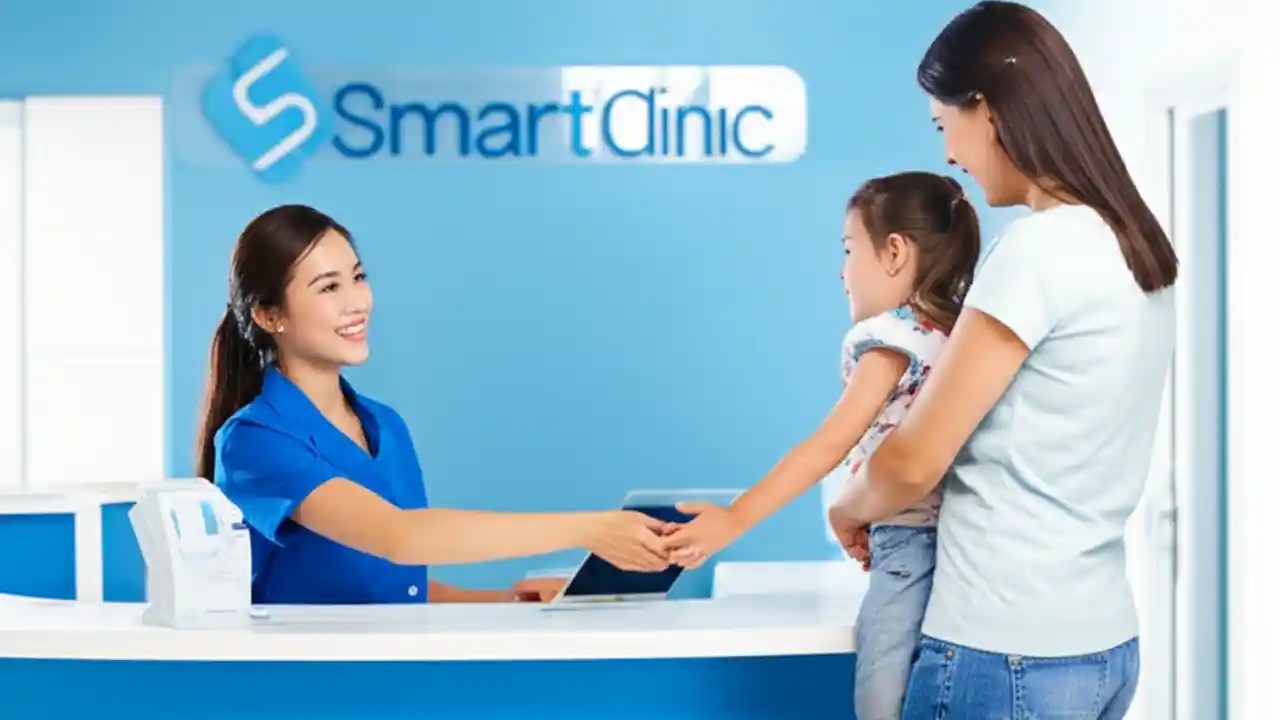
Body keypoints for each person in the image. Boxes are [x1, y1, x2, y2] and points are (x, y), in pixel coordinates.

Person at [830, 2, 1179, 718]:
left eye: (943, 125)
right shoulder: (1131, 243)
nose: (949, 155)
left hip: (1006, 649)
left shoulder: (1037, 250)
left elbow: (913, 461)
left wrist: (849, 509)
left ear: (986, 108)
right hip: (1103, 643)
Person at [195, 204, 670, 605]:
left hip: (395, 677)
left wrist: (506, 600)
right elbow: (401, 537)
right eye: (328, 287)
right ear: (269, 315)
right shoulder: (254, 440)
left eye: (358, 277)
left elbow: (396, 583)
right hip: (309, 686)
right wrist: (591, 529)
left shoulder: (384, 425)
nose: (356, 302)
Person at [662, 171, 981, 719]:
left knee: (879, 699)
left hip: (908, 548)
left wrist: (733, 519)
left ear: (895, 252)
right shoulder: (959, 337)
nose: (842, 272)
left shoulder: (888, 343)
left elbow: (825, 446)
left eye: (850, 249)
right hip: (967, 548)